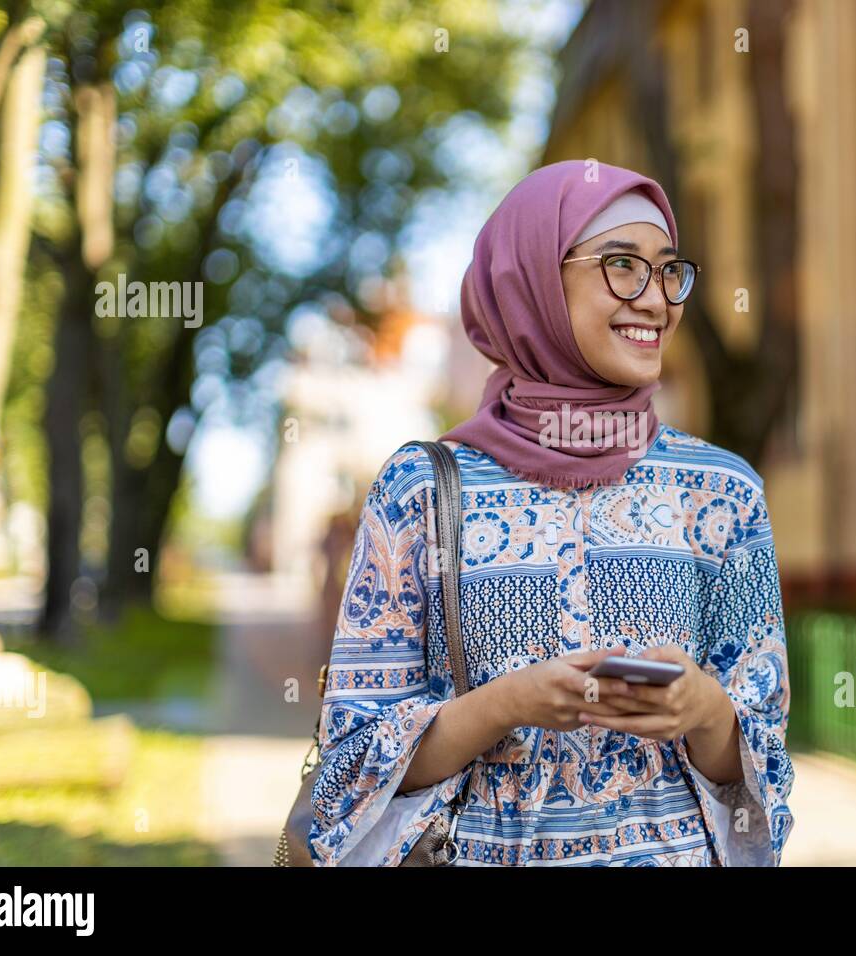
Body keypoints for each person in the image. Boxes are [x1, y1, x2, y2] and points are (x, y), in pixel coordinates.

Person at [308, 160, 794, 866]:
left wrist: (704, 711)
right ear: (530, 278)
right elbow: (350, 766)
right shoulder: (419, 489)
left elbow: (762, 766)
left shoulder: (723, 492)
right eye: (622, 265)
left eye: (668, 271)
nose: (655, 299)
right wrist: (507, 704)